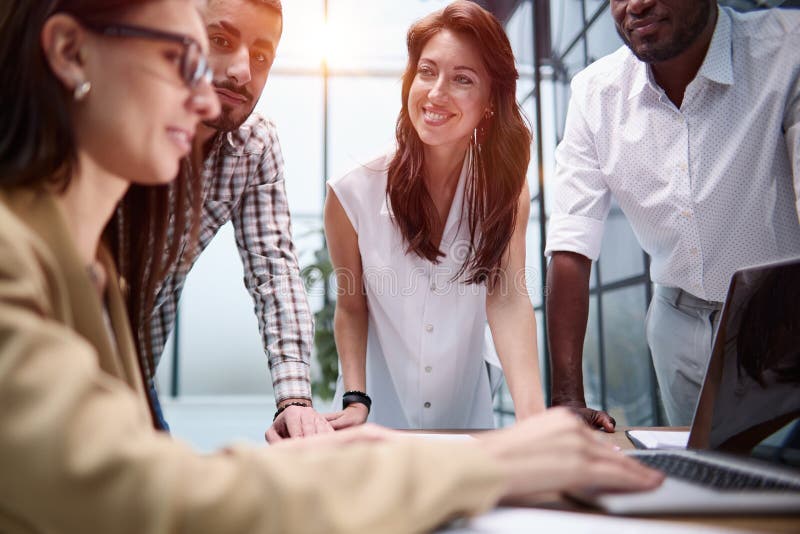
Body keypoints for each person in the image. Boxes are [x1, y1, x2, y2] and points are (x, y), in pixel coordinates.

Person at [0, 1, 665, 532]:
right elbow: (156, 501)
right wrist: (468, 461)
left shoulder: (89, 270)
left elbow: (277, 275)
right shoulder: (14, 263)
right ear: (68, 50)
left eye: (256, 56)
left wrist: (520, 426)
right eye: (183, 57)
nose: (213, 98)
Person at [545, 0, 800, 427]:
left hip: (780, 315)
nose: (637, 4)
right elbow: (572, 241)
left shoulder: (786, 47)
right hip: (675, 320)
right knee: (702, 478)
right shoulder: (594, 93)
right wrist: (567, 398)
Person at [115, 0, 331, 441]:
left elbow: (275, 272)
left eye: (261, 57)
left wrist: (295, 399)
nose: (241, 73)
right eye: (220, 41)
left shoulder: (254, 144)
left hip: (134, 365)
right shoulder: (112, 121)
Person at [324, 1, 545, 430]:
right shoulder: (352, 191)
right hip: (372, 422)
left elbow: (508, 295)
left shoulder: (506, 191)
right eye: (427, 72)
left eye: (462, 79)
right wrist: (355, 398)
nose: (437, 93)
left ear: (490, 102)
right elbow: (352, 307)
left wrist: (533, 418)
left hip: (466, 418)